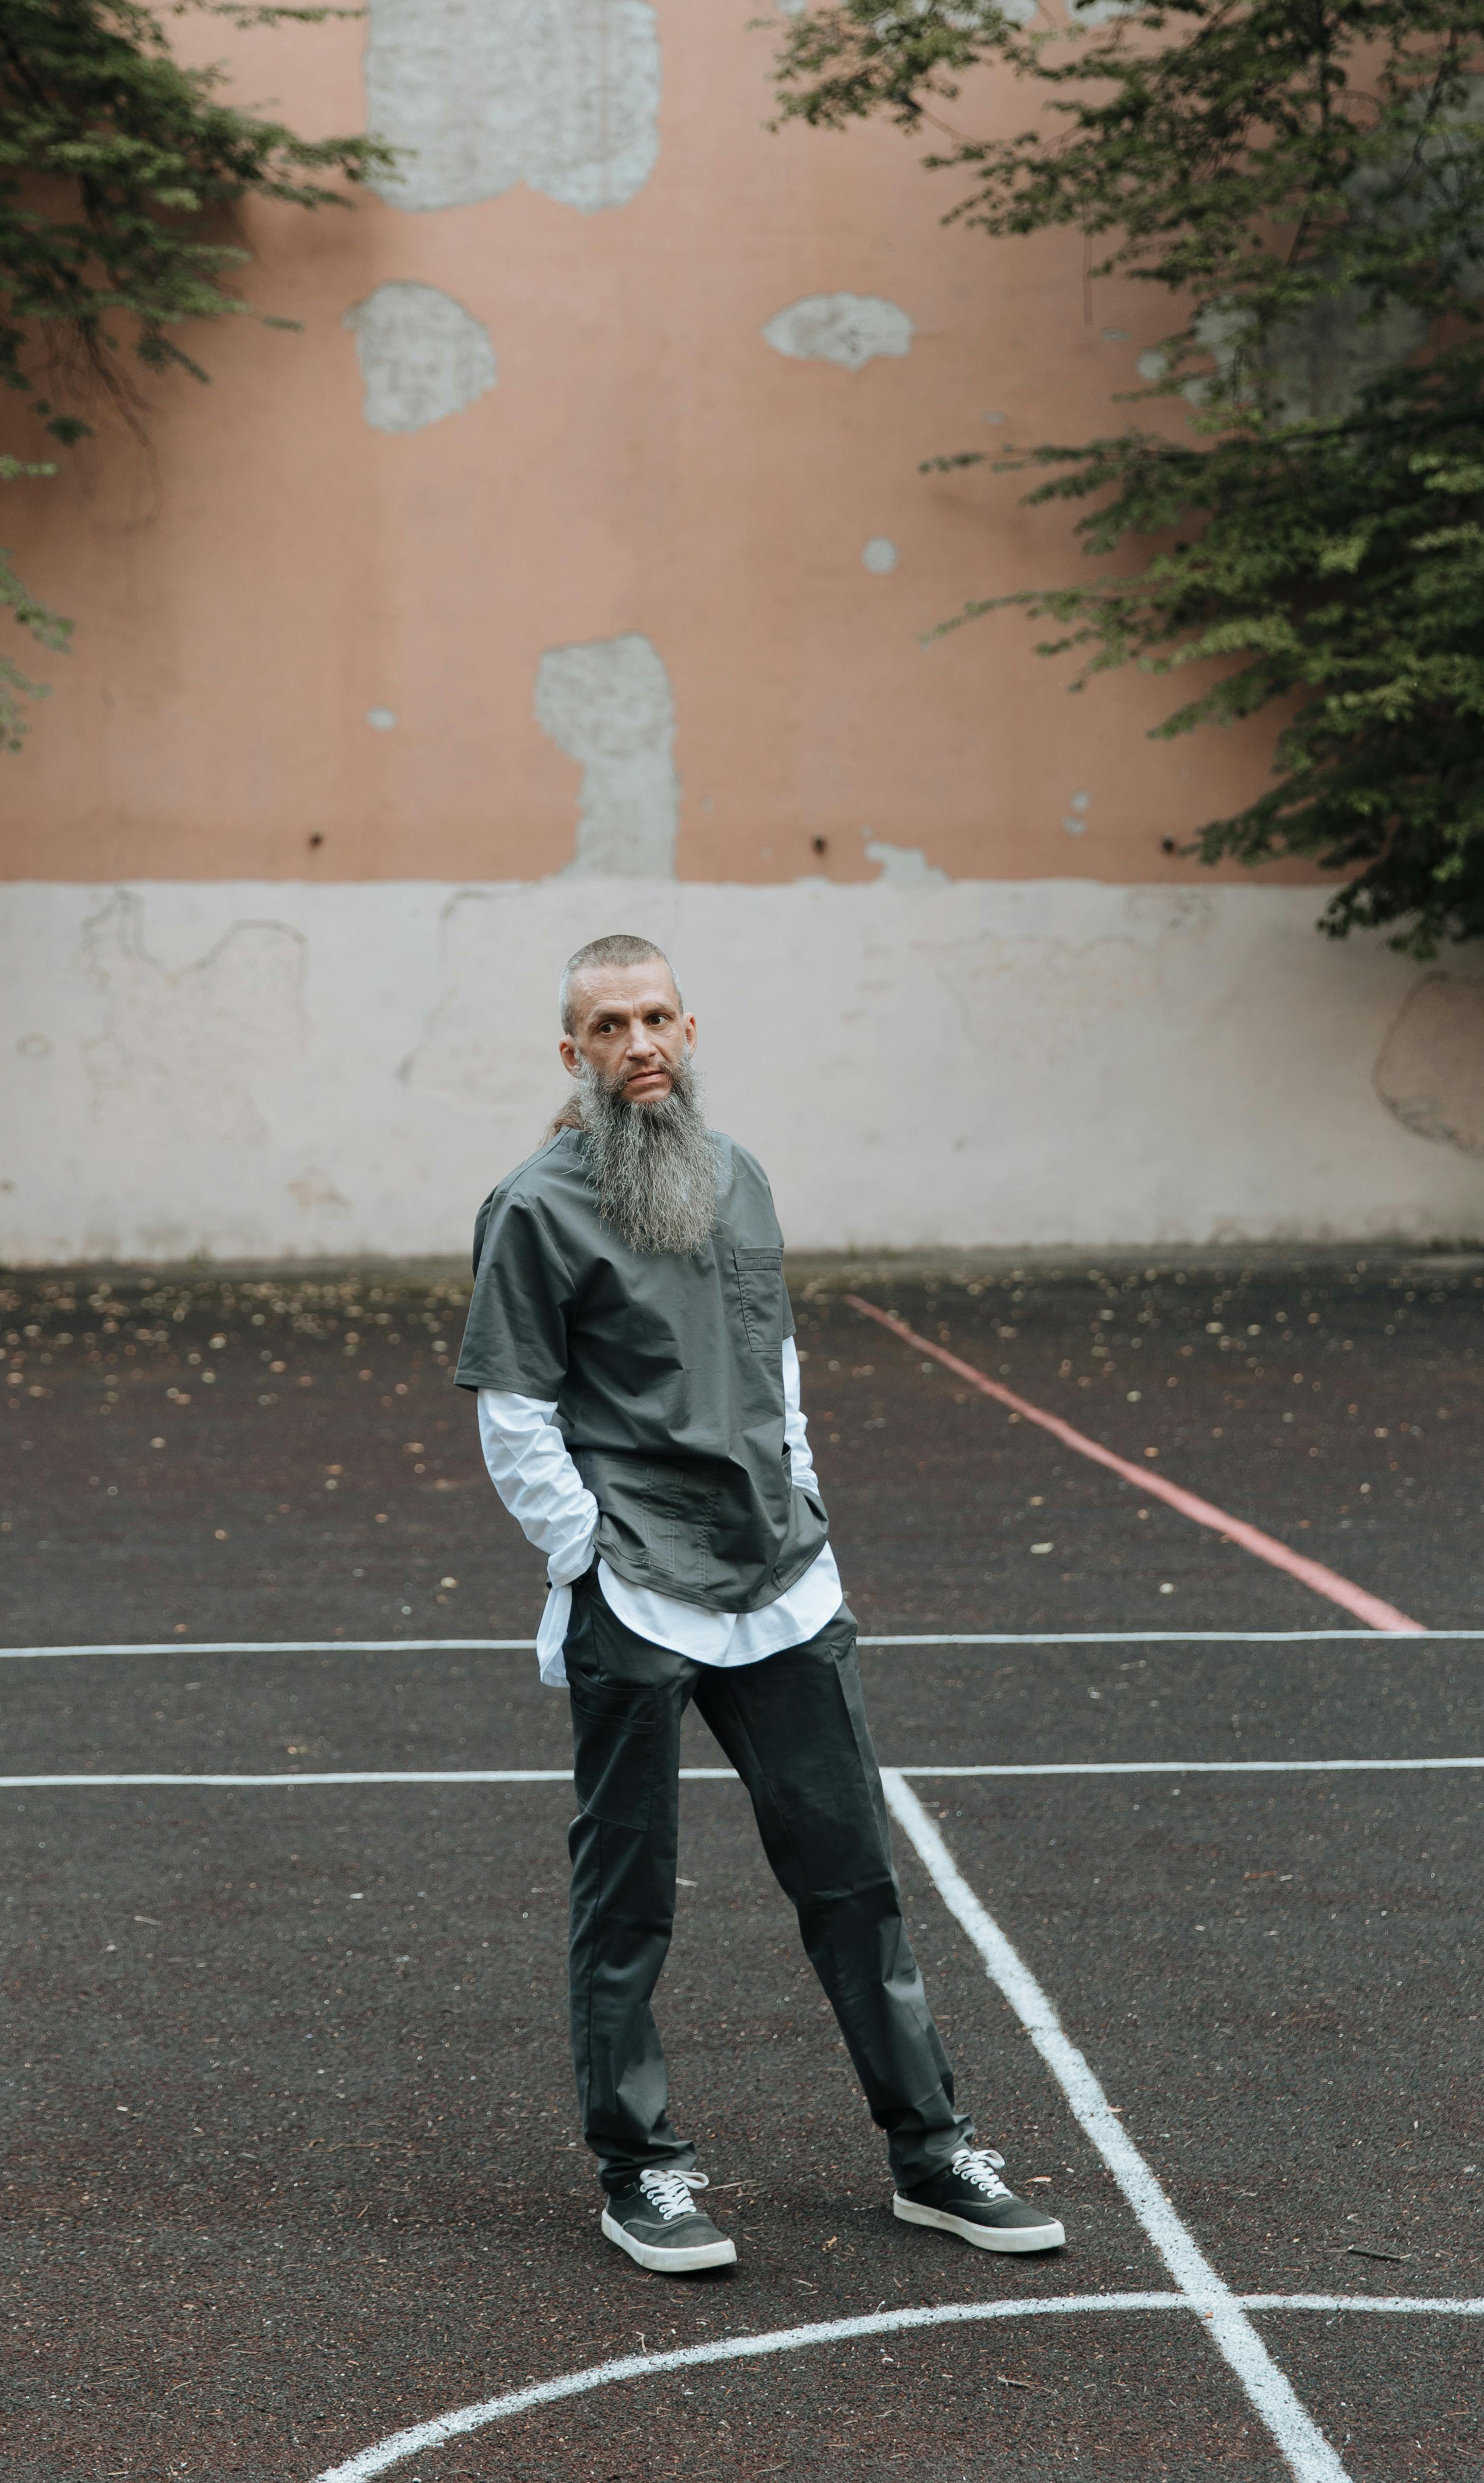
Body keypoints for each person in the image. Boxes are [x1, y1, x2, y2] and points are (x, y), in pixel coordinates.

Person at [454, 932, 1065, 2276]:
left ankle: (931, 2150)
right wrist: (590, 1562)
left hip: (784, 1585)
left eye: (658, 1017)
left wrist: (805, 1500)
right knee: (628, 1900)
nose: (641, 1044)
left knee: (854, 1881)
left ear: (691, 1025)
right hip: (642, 1594)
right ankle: (642, 2172)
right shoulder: (533, 1207)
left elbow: (772, 1364)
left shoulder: (742, 1180)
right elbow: (514, 1411)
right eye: (608, 1027)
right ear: (575, 1055)